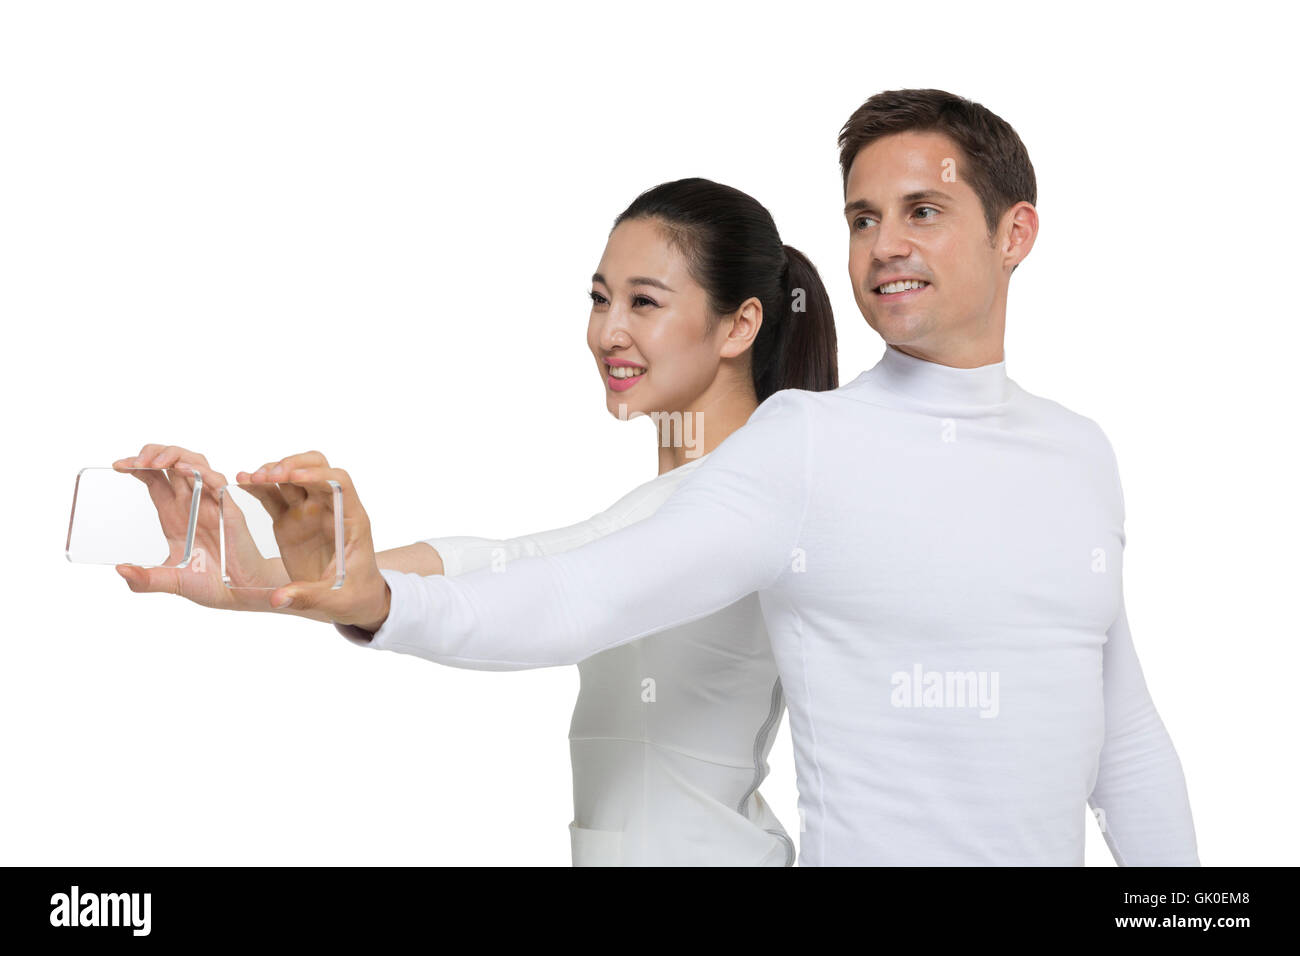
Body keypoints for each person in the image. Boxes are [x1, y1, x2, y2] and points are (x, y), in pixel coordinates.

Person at [246, 89, 1199, 866]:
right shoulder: (804, 443)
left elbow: (1124, 739)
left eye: (924, 212)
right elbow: (578, 587)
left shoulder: (1081, 455)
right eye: (863, 218)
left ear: (1015, 233)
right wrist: (375, 602)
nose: (884, 246)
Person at [115, 177, 839, 866]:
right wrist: (261, 577)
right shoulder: (685, 498)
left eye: (644, 302)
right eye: (598, 298)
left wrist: (375, 599)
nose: (608, 332)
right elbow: (515, 559)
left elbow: (563, 597)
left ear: (740, 324)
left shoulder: (745, 496)